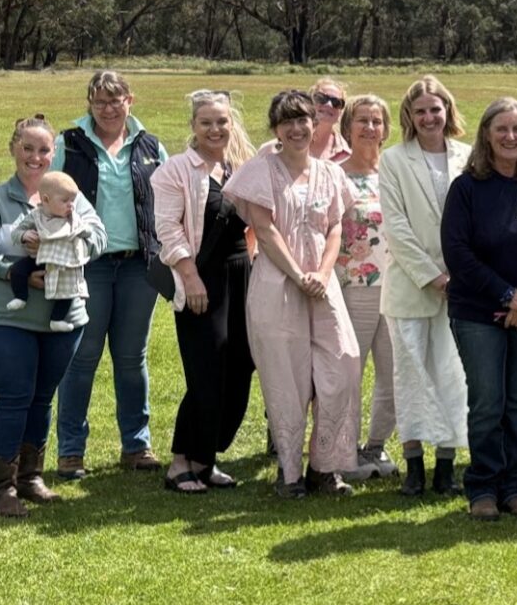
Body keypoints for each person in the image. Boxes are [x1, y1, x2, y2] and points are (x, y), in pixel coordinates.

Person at [0, 115, 103, 516]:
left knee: (41, 399)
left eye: (44, 150)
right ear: (13, 149)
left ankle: (30, 477)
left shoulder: (70, 194)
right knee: (14, 397)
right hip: (4, 317)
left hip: (63, 317)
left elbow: (99, 235)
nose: (36, 157)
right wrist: (11, 271)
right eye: (28, 148)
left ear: (53, 153)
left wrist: (68, 250)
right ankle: (2, 488)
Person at [223, 90, 360, 497]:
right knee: (286, 376)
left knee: (344, 364)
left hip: (323, 283)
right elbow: (264, 231)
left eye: (303, 119)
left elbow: (335, 226)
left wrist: (320, 272)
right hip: (278, 284)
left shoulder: (331, 173)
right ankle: (289, 472)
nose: (297, 128)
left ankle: (325, 464)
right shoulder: (260, 171)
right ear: (276, 130)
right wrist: (299, 275)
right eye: (287, 122)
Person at [442, 98, 517, 520]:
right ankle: (482, 489)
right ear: (487, 136)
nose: (511, 137)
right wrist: (508, 296)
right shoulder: (467, 188)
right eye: (502, 130)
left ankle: (514, 487)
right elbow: (457, 253)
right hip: (478, 314)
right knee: (488, 402)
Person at [52, 70, 166, 480]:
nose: (108, 108)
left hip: (139, 266)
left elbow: (168, 200)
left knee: (132, 359)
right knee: (81, 358)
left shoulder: (150, 146)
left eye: (115, 100)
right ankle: (70, 452)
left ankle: (136, 446)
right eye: (99, 101)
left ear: (129, 101)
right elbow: (46, 194)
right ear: (89, 103)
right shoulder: (69, 144)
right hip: (88, 266)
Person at [151, 89, 258, 493]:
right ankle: (181, 462)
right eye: (206, 123)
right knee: (206, 368)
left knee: (241, 365)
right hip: (200, 277)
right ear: (193, 127)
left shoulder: (243, 168)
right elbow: (167, 228)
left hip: (241, 273)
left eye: (222, 122)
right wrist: (190, 276)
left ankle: (206, 457)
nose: (215, 129)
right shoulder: (175, 170)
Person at [378, 75, 473, 496]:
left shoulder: (469, 158)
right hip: (411, 287)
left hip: (461, 289)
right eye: (421, 112)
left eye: (436, 109)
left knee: (452, 375)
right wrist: (434, 276)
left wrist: (460, 275)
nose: (429, 117)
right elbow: (395, 228)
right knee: (411, 374)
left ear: (447, 112)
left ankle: (446, 467)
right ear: (409, 118)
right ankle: (414, 464)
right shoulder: (394, 160)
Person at [335, 95, 400, 481]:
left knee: (393, 374)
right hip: (353, 287)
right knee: (349, 373)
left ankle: (375, 446)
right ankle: (344, 451)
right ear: (348, 127)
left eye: (377, 121)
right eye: (362, 120)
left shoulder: (394, 172)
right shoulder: (333, 174)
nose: (370, 128)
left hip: (398, 288)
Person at [8, 171, 92, 332]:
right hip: (40, 258)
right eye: (65, 201)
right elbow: (15, 232)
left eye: (73, 201)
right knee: (18, 270)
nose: (71, 205)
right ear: (46, 200)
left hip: (63, 262)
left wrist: (82, 233)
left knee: (69, 291)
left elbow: (86, 230)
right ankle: (20, 297)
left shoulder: (72, 217)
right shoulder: (36, 216)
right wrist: (24, 235)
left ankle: (57, 319)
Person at [309, 76, 353, 163]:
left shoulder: (348, 155)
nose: (329, 104)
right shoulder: (289, 143)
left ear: (340, 113)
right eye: (321, 98)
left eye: (336, 103)